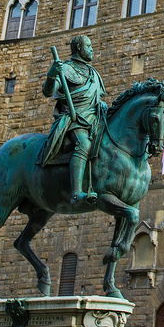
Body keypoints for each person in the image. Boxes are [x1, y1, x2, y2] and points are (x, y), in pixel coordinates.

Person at [40, 34, 107, 207]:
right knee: (84, 144)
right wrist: (51, 75)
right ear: (78, 48)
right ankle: (76, 192)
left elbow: (97, 98)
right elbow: (48, 91)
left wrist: (102, 105)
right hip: (75, 119)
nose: (92, 49)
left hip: (94, 119)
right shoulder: (67, 69)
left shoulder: (94, 73)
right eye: (89, 46)